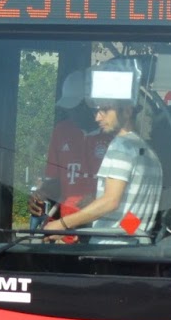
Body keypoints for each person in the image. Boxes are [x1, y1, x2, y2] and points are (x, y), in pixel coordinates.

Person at [42, 94, 163, 239]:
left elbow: (110, 201)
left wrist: (63, 224)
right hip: (134, 243)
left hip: (111, 246)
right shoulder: (148, 152)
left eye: (105, 110)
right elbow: (135, 213)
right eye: (97, 111)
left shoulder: (120, 147)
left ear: (127, 111)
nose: (97, 118)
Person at [30, 71, 111, 225]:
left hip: (106, 228)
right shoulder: (61, 131)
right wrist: (42, 194)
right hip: (66, 228)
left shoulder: (118, 139)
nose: (71, 113)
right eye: (69, 108)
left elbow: (127, 202)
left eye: (77, 107)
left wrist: (99, 199)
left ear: (93, 105)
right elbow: (55, 183)